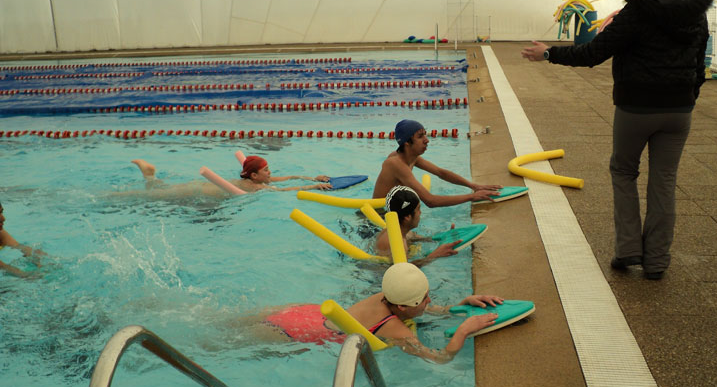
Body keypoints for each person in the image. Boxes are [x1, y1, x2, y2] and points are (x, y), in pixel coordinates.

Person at [522, 0, 713, 280]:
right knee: (664, 182)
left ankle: (628, 250)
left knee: (624, 172)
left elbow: (594, 52)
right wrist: (689, 97)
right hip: (679, 110)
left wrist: (549, 53)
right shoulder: (694, 10)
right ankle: (656, 261)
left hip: (636, 108)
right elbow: (699, 64)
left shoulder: (638, 9)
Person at [251, 263, 502, 363]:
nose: (430, 300)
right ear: (403, 307)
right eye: (424, 297)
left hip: (306, 312)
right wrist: (464, 329)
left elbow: (428, 310)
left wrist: (461, 304)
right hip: (296, 333)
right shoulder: (395, 329)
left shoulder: (388, 293)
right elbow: (439, 357)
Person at [372, 119, 501, 207]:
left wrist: (473, 186)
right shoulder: (395, 163)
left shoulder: (411, 157)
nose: (427, 140)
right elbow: (430, 201)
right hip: (377, 218)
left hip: (393, 212)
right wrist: (471, 197)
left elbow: (441, 173)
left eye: (425, 135)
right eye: (420, 136)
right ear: (407, 143)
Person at [130, 155, 331, 197]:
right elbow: (284, 190)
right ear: (254, 175)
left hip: (207, 187)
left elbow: (289, 178)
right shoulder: (256, 187)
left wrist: (313, 178)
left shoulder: (257, 180)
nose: (271, 173)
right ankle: (150, 178)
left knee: (160, 192)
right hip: (199, 191)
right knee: (154, 197)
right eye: (266, 170)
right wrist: (311, 189)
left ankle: (150, 178)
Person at [374, 185, 460, 267]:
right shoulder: (399, 245)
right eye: (418, 209)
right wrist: (435, 255)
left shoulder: (400, 231)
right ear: (407, 217)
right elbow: (403, 271)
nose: (420, 213)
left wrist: (445, 237)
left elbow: (417, 237)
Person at [0, 202, 46, 277]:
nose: (3, 218)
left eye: (1, 212)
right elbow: (4, 267)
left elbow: (21, 248)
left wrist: (44, 262)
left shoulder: (0, 233)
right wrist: (28, 276)